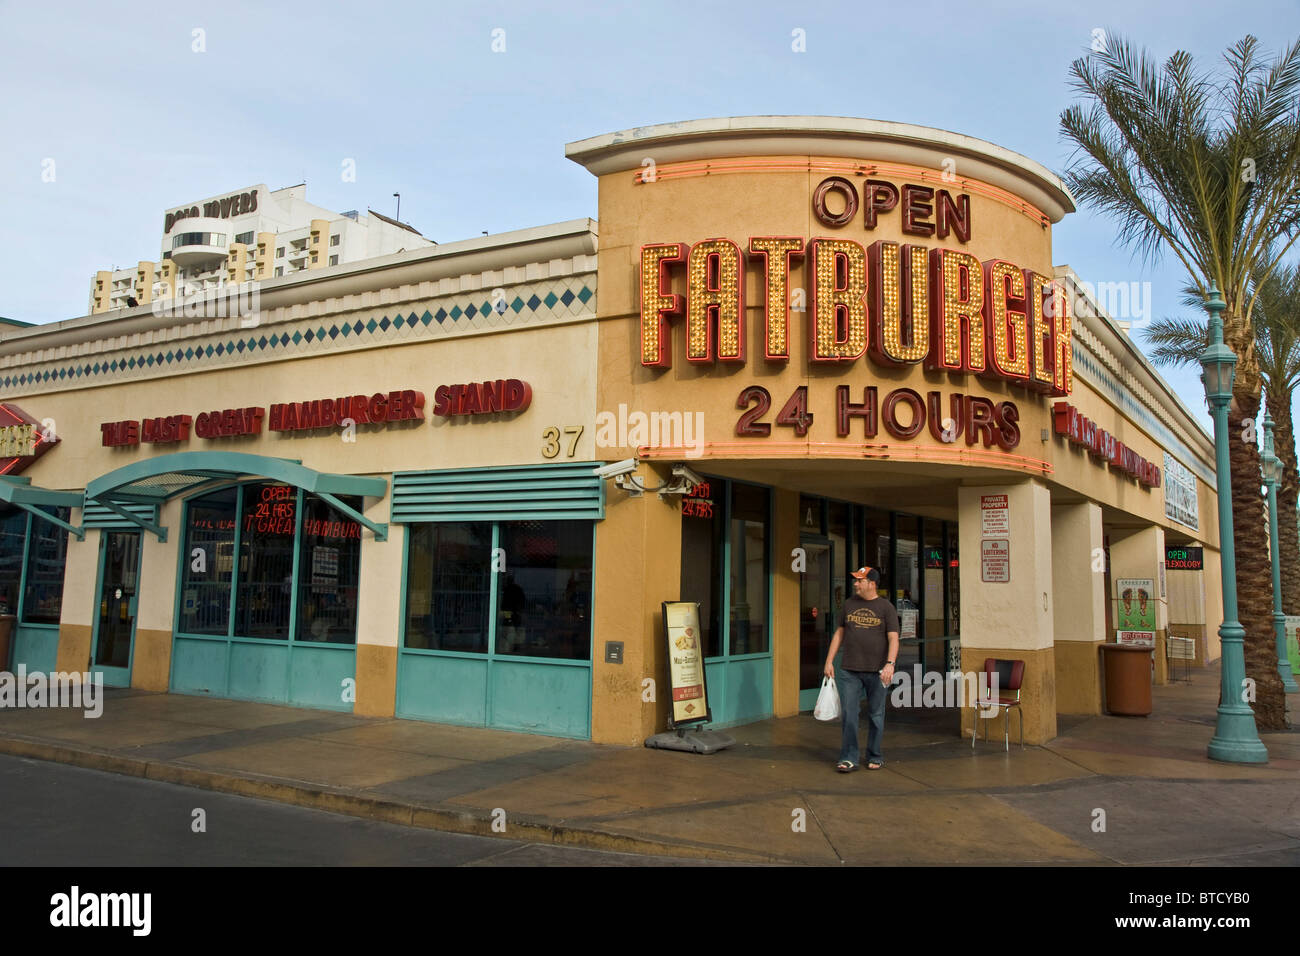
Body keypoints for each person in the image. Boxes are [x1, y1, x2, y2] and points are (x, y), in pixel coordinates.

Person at [824, 566, 900, 772]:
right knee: (849, 714)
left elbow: (893, 638)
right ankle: (849, 757)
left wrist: (890, 664)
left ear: (872, 584)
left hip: (878, 671)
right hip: (850, 669)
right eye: (856, 580)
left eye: (860, 580)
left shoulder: (886, 608)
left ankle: (875, 754)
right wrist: (829, 661)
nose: (856, 584)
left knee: (876, 714)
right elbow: (839, 634)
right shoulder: (849, 604)